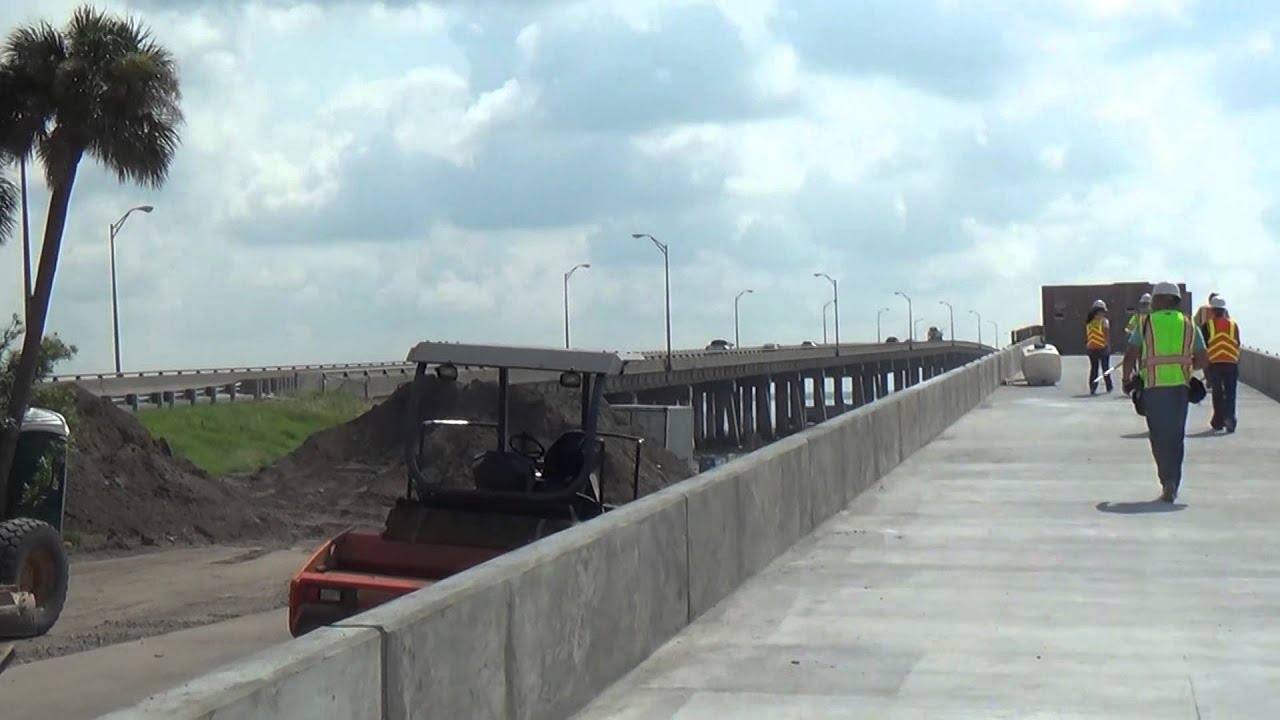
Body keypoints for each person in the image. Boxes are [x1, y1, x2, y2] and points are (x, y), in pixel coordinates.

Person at [1122, 281, 1210, 503]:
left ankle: (1166, 481)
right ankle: (1174, 482)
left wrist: (1126, 379)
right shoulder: (1189, 324)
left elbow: (1131, 354)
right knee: (1176, 436)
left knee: (1159, 437)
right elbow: (1203, 360)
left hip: (1153, 388)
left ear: (1159, 299)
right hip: (1180, 389)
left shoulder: (1147, 323)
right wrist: (1185, 366)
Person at [1200, 295, 1240, 433]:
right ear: (1224, 310)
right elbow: (1237, 342)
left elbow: (1203, 347)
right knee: (1230, 393)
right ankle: (1230, 419)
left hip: (1215, 363)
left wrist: (1204, 368)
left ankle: (1218, 421)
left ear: (1212, 310)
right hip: (1231, 362)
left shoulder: (1207, 325)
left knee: (1218, 393)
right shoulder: (1233, 325)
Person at [1085, 299, 1113, 394]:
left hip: (1091, 348)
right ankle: (1109, 387)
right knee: (1105, 368)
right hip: (1102, 348)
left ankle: (1093, 387)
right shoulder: (1104, 321)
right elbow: (1107, 333)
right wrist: (1106, 344)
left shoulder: (1089, 322)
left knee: (1094, 369)